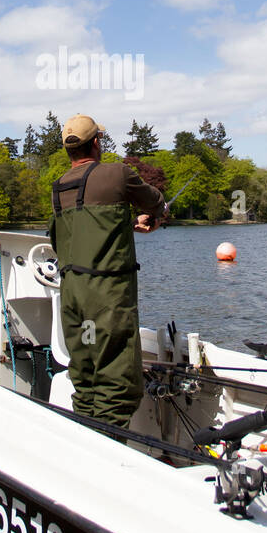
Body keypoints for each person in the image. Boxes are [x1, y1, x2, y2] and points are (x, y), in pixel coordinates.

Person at [49, 115, 168, 430]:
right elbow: (155, 201)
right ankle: (110, 459)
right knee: (116, 382)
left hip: (73, 299)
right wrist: (152, 217)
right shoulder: (117, 174)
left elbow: (77, 236)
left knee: (85, 379)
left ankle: (88, 447)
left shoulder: (58, 187)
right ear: (97, 143)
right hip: (108, 299)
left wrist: (127, 225)